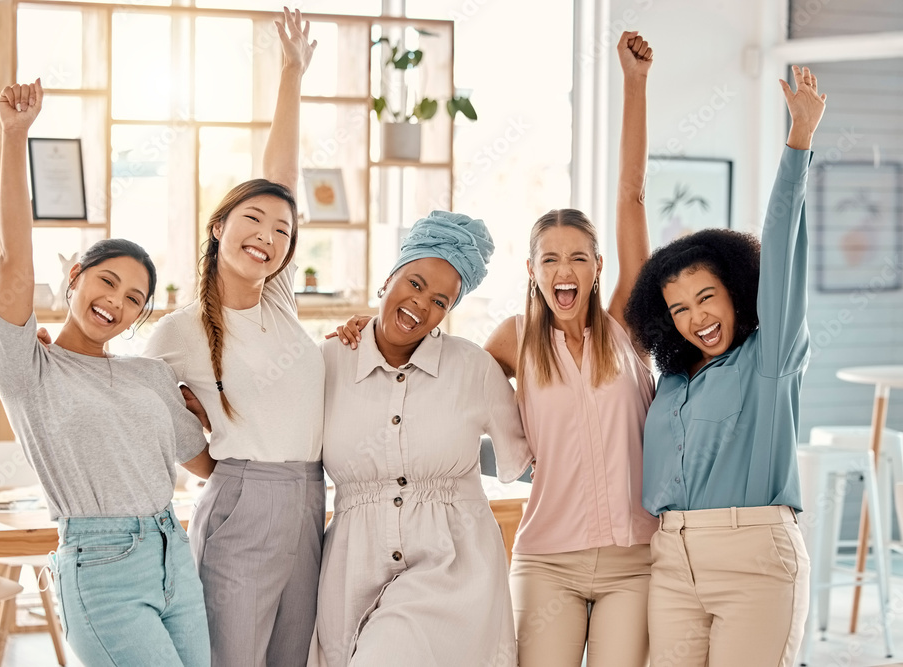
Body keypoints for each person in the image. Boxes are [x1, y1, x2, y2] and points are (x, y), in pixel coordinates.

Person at [0, 78, 212, 666]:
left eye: (135, 298)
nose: (117, 301)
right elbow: (12, 262)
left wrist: (212, 414)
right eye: (107, 281)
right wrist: (15, 137)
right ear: (75, 278)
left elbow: (207, 465)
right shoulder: (28, 366)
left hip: (174, 553)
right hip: (101, 568)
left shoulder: (150, 376)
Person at [623, 65, 825, 666]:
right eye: (679, 308)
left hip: (756, 559)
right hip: (671, 560)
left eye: (707, 297)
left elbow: (784, 248)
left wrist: (799, 141)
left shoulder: (771, 359)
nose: (696, 318)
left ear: (739, 290)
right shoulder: (673, 384)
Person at [142, 8, 322, 666]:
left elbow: (284, 175)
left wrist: (293, 73)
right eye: (253, 219)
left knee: (289, 658)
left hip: (310, 496)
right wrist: (219, 469)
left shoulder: (280, 300)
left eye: (282, 229)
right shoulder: (177, 330)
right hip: (243, 499)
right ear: (219, 226)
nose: (269, 236)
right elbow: (154, 421)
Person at [479, 31, 656, 667]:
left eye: (578, 256)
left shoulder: (629, 331)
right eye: (550, 258)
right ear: (532, 270)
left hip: (636, 559)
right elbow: (438, 375)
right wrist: (370, 327)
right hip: (546, 558)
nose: (565, 268)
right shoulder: (513, 341)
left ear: (598, 266)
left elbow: (630, 198)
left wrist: (634, 85)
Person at [309, 211, 533, 667]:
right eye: (414, 283)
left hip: (452, 569)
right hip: (353, 569)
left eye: (440, 301)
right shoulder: (327, 363)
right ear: (389, 277)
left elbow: (526, 460)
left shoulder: (472, 368)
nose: (421, 304)